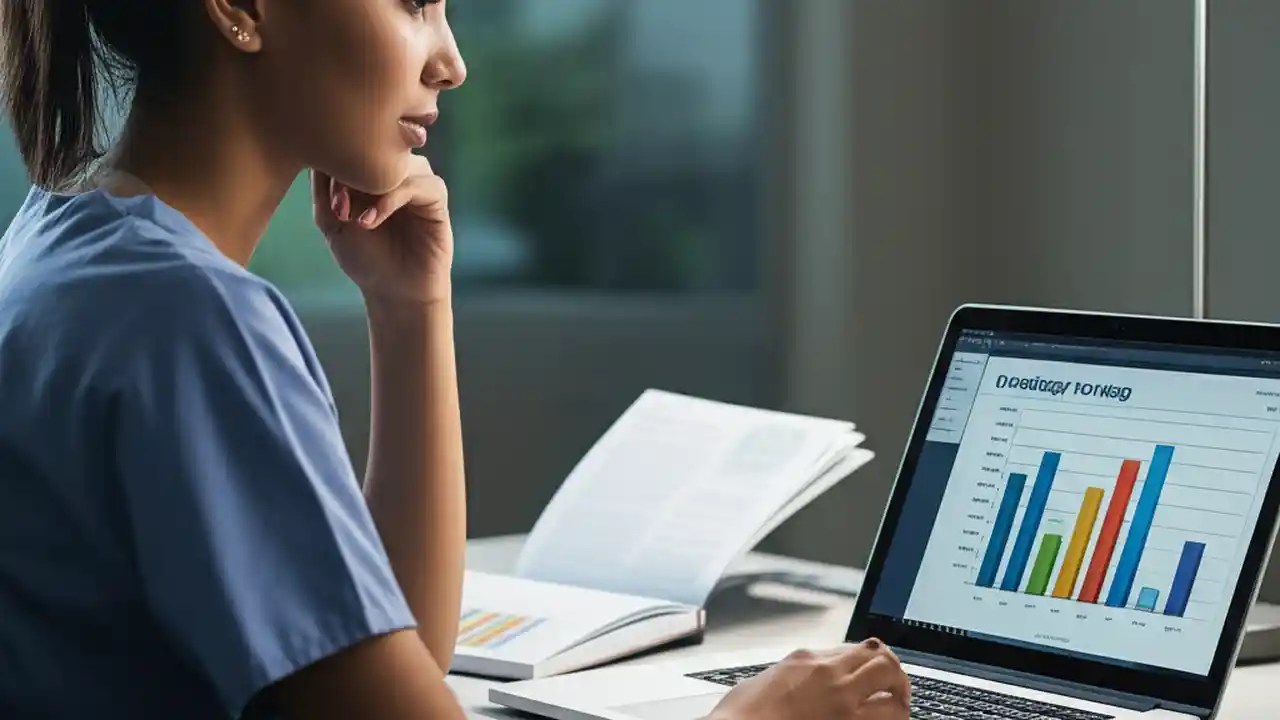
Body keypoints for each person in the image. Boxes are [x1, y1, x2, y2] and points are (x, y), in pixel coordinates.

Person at [0, 1, 911, 718]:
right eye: (413, 3)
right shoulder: (188, 320)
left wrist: (410, 308)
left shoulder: (60, 248)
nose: (452, 59)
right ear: (239, 6)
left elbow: (396, 662)